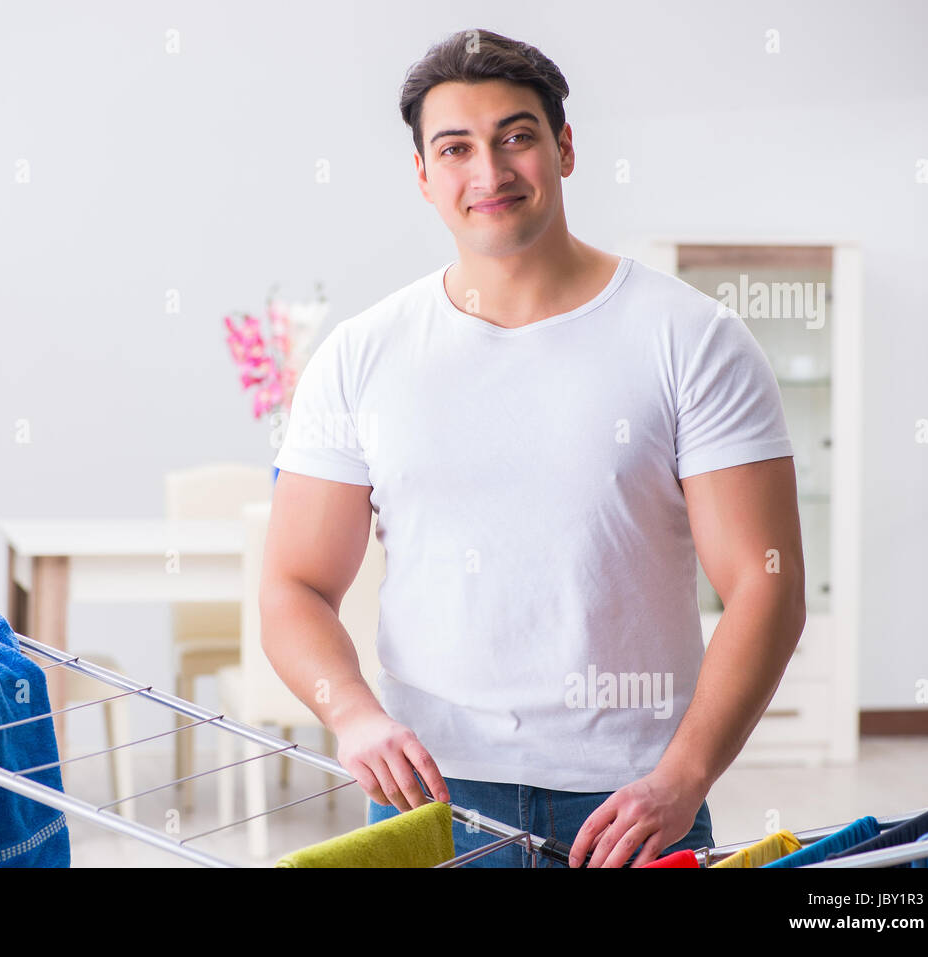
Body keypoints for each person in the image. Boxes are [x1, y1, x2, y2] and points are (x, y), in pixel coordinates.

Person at [259, 28, 806, 868]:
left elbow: (766, 585)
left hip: (634, 804)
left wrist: (684, 776)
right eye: (456, 148)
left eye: (516, 136)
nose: (490, 171)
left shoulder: (692, 338)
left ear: (565, 148)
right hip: (428, 801)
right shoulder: (361, 354)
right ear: (423, 175)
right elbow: (293, 584)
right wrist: (354, 715)